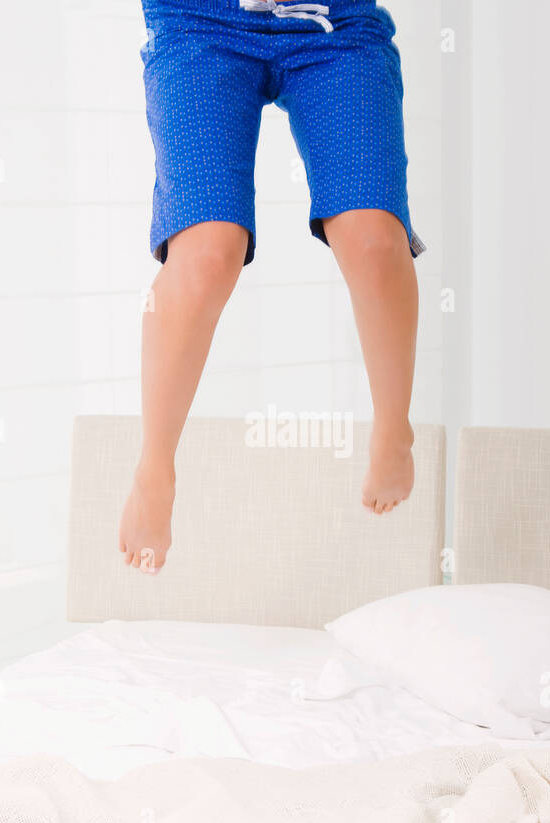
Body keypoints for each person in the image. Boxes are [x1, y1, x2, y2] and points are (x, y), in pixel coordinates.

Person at [120, 0, 426, 574]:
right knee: (209, 250)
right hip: (199, 22)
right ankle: (154, 468)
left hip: (334, 22)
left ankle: (393, 425)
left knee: (373, 240)